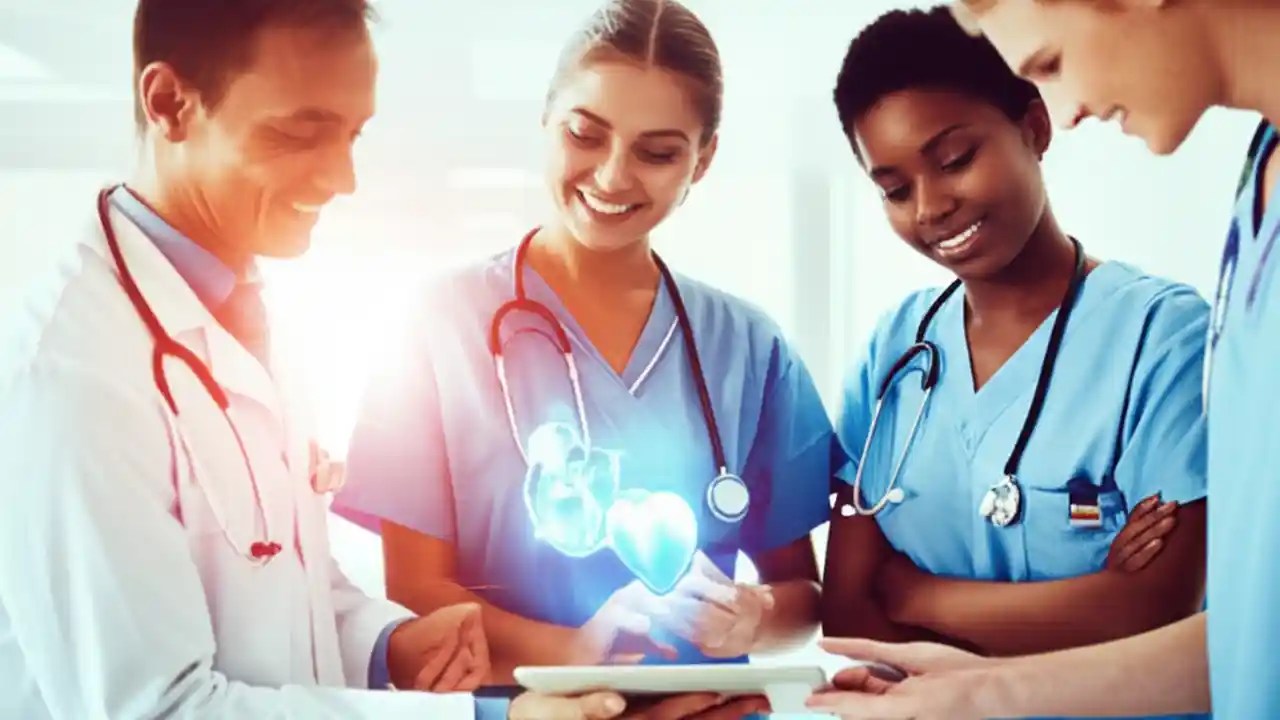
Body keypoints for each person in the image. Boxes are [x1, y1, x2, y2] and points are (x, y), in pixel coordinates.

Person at [0, 2, 674, 718]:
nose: (343, 178)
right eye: (300, 134)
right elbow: (152, 708)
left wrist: (389, 645)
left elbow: (280, 576)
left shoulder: (247, 308)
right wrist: (485, 716)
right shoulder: (72, 373)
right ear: (170, 104)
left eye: (353, 134)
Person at [331, 0, 834, 704]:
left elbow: (804, 597)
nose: (612, 176)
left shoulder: (748, 347)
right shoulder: (437, 323)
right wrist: (575, 655)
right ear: (546, 120)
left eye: (658, 153)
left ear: (704, 159)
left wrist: (755, 617)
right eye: (585, 135)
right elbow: (414, 589)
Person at [806, 1, 1280, 718]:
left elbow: (1157, 609)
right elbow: (851, 615)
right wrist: (1003, 665)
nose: (930, 206)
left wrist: (917, 592)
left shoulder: (1160, 334)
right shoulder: (895, 350)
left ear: (1029, 130)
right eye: (895, 190)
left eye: (956, 159)